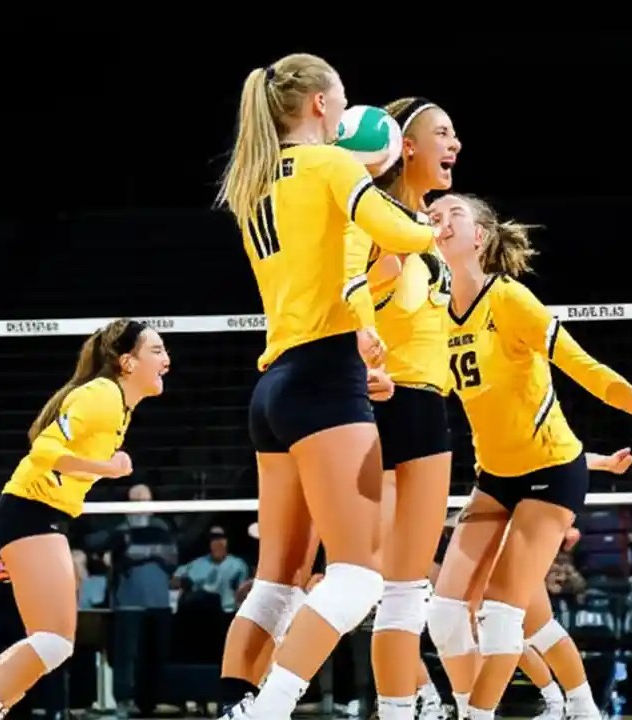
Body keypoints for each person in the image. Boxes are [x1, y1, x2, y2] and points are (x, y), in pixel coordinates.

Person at [213, 52, 438, 720]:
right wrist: (435, 230)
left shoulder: (252, 181)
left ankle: (234, 705)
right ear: (319, 104)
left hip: (275, 386)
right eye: (339, 97)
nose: (344, 107)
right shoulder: (331, 164)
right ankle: (270, 708)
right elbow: (396, 231)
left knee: (277, 581)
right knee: (358, 576)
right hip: (323, 380)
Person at [427, 193, 632, 720]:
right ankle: (579, 708)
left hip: (550, 475)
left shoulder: (509, 299)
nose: (440, 219)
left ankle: (485, 714)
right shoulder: (435, 315)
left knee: (503, 617)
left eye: (455, 214)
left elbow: (580, 364)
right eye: (434, 214)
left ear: (480, 236)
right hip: (495, 479)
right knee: (448, 617)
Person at [0, 319, 168, 718]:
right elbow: (43, 453)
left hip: (34, 516)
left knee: (49, 643)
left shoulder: (119, 405)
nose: (167, 360)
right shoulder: (101, 395)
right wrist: (108, 468)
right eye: (156, 351)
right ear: (127, 362)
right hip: (28, 513)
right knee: (53, 642)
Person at [359, 97, 462, 720]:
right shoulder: (378, 223)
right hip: (387, 402)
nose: (455, 145)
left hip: (428, 405)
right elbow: (342, 303)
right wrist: (359, 365)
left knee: (402, 589)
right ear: (408, 146)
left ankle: (408, 704)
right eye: (442, 133)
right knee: (372, 583)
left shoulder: (421, 226)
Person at [433, 452, 631, 720]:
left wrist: (601, 463)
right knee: (451, 621)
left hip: (531, 502)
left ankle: (575, 706)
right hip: (496, 489)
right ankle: (467, 708)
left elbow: (556, 447)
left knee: (530, 627)